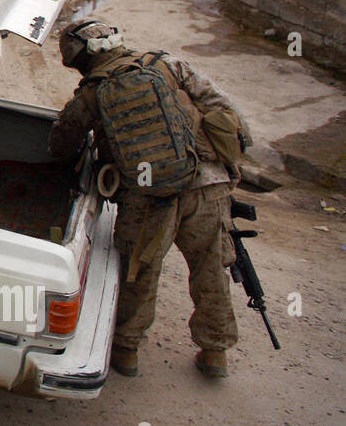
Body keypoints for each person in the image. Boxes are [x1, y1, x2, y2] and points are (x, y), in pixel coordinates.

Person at [47, 19, 252, 380]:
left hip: (148, 196)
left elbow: (63, 144)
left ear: (78, 60)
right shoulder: (166, 64)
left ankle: (126, 349)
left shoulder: (92, 93)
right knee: (209, 267)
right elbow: (223, 107)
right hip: (207, 184)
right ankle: (214, 351)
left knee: (139, 271)